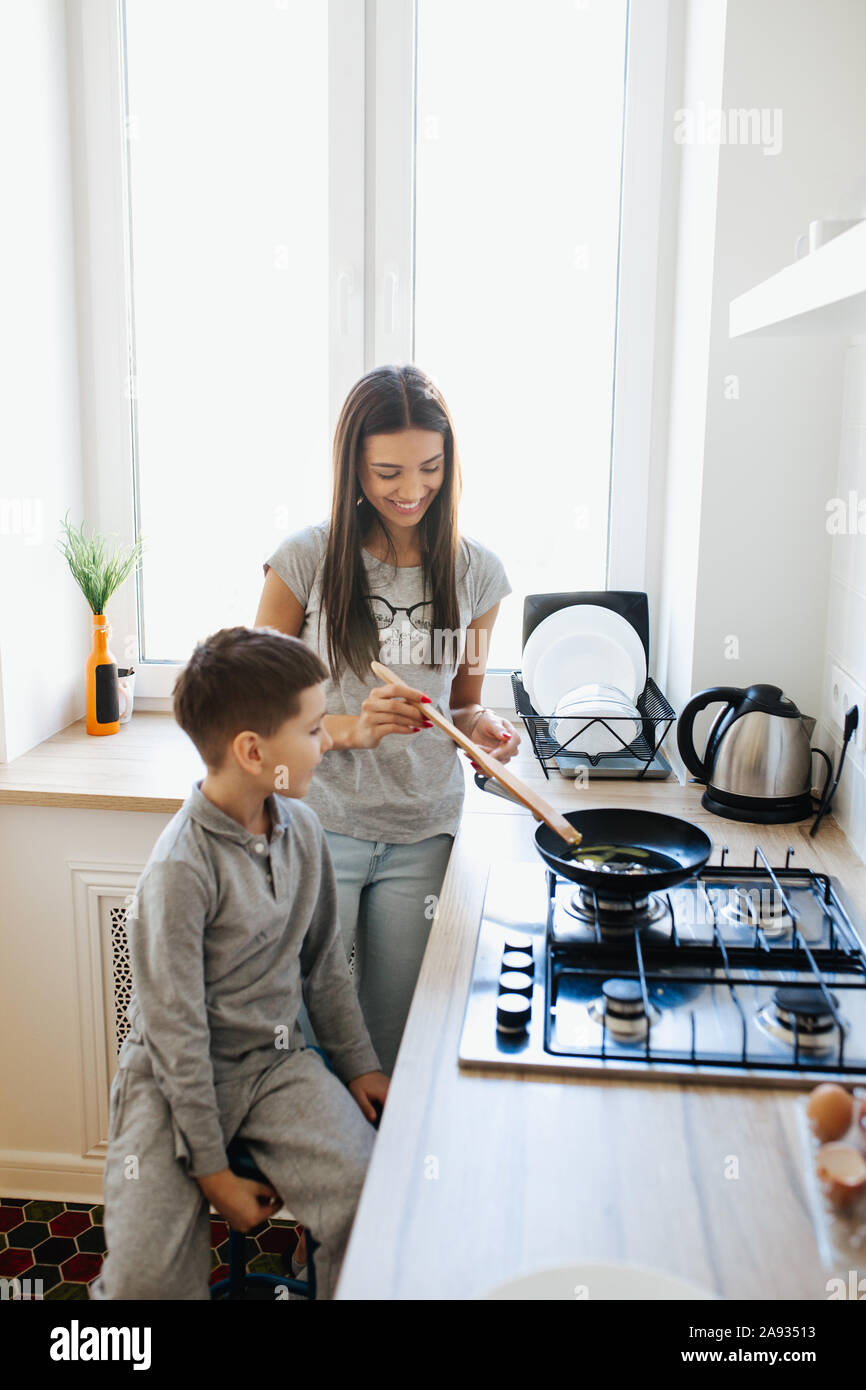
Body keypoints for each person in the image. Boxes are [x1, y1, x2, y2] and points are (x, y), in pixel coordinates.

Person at [256, 363, 521, 1271]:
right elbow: (257, 718)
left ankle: (386, 1242)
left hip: (423, 832)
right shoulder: (302, 562)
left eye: (430, 469)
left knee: (391, 1041)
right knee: (315, 1041)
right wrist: (344, 726)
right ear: (353, 472)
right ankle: (326, 1228)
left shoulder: (477, 571)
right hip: (318, 824)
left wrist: (489, 729)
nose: (413, 492)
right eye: (389, 474)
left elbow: (469, 705)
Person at [89, 627, 389, 1301]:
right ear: (253, 751)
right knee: (143, 1281)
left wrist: (360, 1062)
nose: (326, 743)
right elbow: (177, 1032)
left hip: (273, 1066)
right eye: (314, 731)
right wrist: (211, 1172)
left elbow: (323, 968)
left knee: (374, 1199)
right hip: (170, 1081)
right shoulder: (179, 871)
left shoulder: (306, 832)